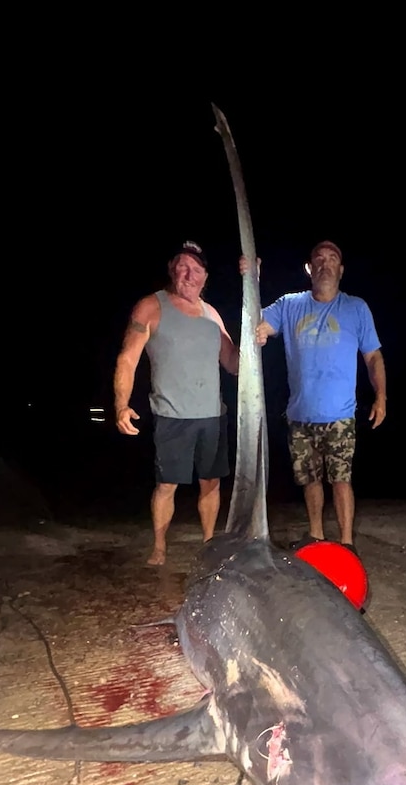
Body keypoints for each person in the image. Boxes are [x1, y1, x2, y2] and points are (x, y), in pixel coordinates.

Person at [254, 241, 386, 550]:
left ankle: (347, 543)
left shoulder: (356, 308)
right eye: (319, 259)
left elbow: (373, 357)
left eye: (332, 259)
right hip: (300, 414)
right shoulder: (290, 304)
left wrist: (381, 396)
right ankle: (315, 536)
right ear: (309, 268)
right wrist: (252, 281)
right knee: (310, 480)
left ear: (341, 270)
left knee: (341, 479)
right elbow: (256, 324)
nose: (325, 264)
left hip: (340, 415)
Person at [114, 241, 238, 566]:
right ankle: (159, 547)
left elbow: (233, 363)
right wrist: (121, 404)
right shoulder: (151, 307)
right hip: (172, 415)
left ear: (205, 277)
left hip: (212, 415)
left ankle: (209, 544)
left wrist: (256, 341)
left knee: (211, 483)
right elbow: (128, 359)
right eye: (182, 267)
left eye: (196, 269)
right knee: (166, 484)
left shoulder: (212, 315)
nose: (189, 274)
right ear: (172, 269)